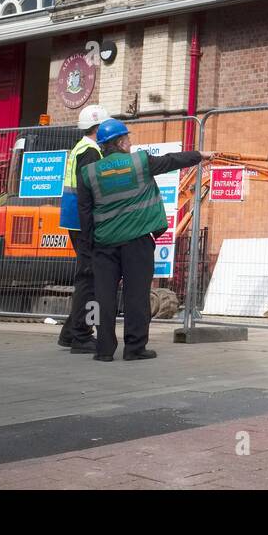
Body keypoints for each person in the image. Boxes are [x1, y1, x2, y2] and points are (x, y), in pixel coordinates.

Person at [77, 118, 208, 361]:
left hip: (104, 243)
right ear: (122, 142)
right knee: (136, 295)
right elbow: (171, 161)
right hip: (137, 241)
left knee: (103, 296)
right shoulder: (140, 162)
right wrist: (199, 155)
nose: (130, 141)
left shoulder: (89, 173)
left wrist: (89, 246)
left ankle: (104, 350)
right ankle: (135, 348)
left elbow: (84, 213)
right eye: (128, 138)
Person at [56, 103, 109, 353]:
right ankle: (82, 335)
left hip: (76, 220)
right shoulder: (91, 152)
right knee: (90, 278)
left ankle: (70, 333)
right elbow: (91, 191)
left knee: (88, 277)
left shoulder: (81, 147)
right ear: (98, 127)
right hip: (84, 222)